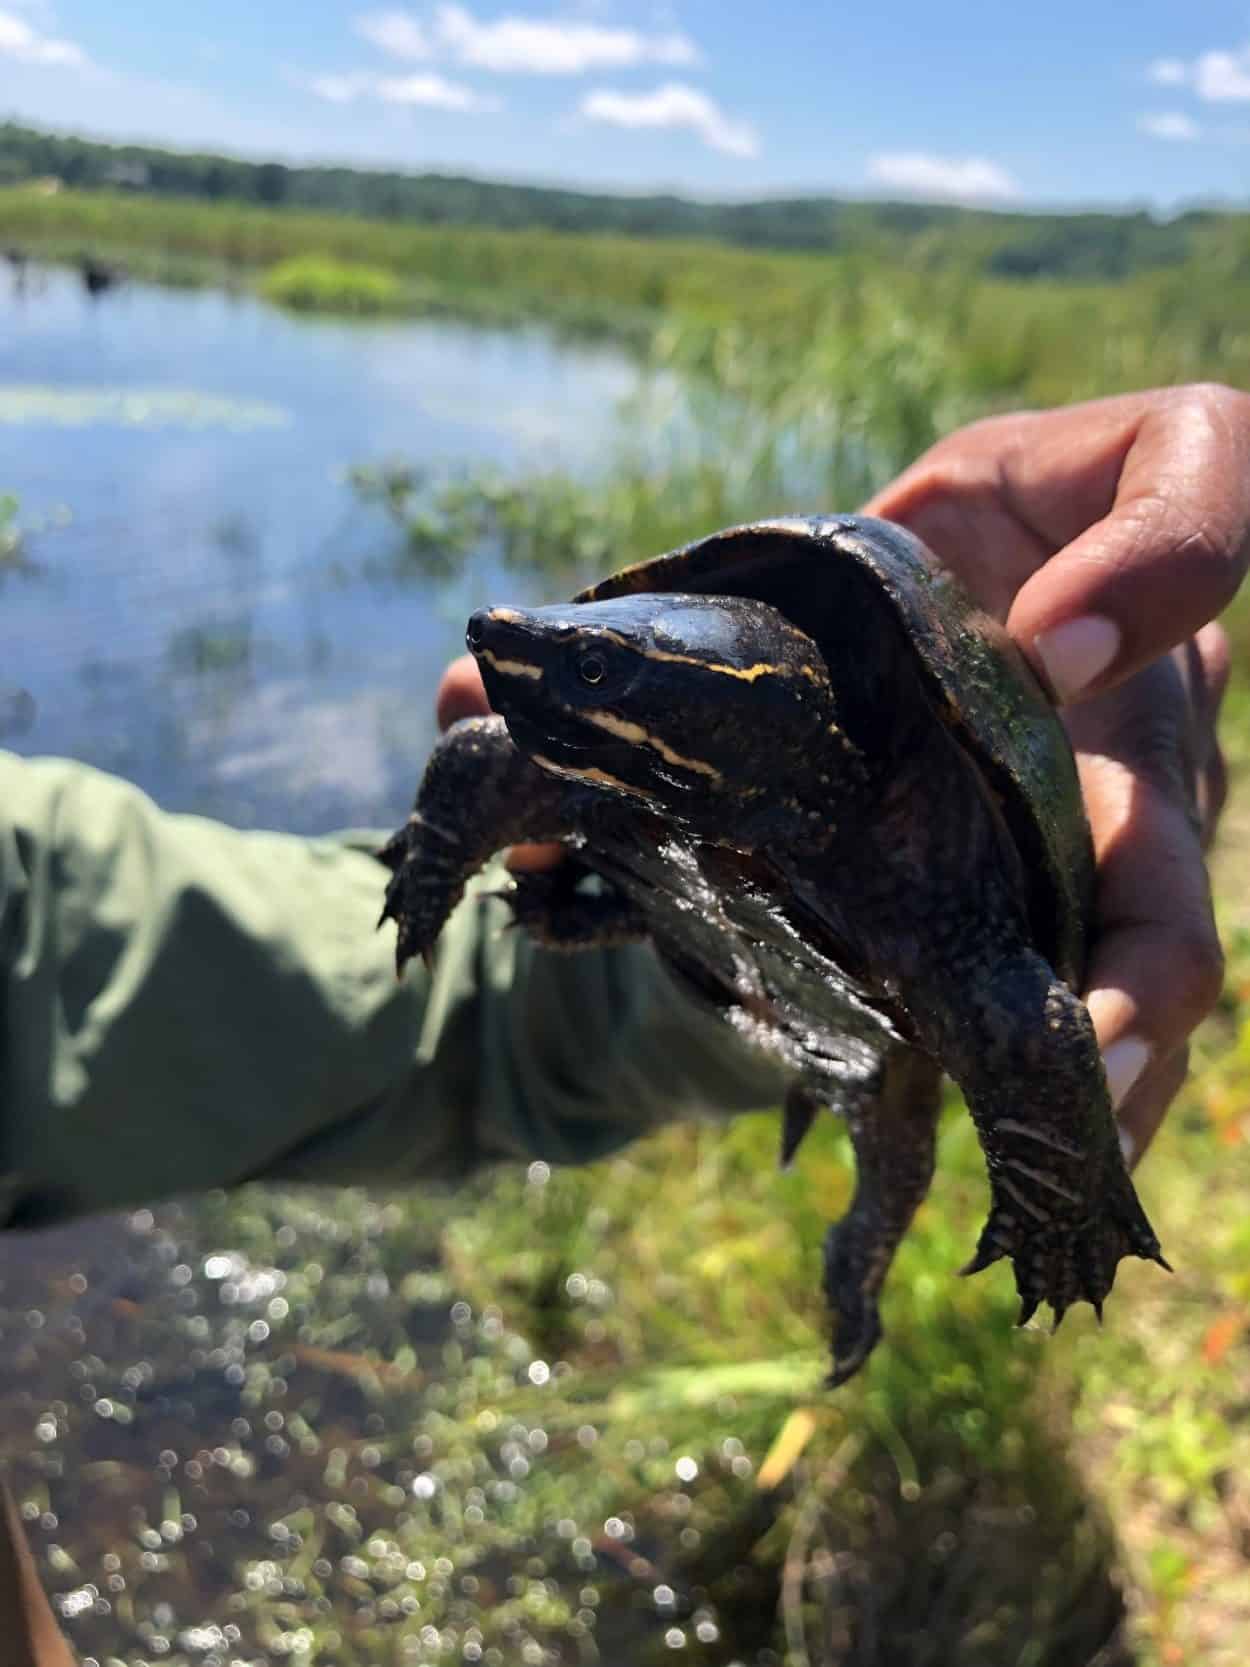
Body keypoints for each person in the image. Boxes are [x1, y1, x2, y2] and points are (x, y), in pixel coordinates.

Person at [0, 380, 1244, 1662]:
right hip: (697, 914)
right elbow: (483, 765)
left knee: (893, 1144)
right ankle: (849, 1229)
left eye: (591, 662)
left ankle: (872, 1267)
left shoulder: (908, 812)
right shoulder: (606, 757)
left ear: (736, 692)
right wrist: (435, 872)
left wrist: (1060, 1189)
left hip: (870, 990)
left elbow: (1021, 1018)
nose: (513, 651)